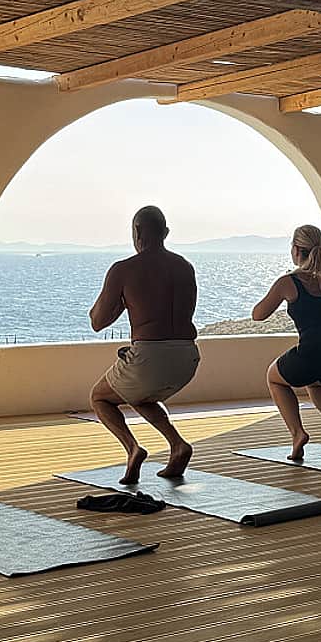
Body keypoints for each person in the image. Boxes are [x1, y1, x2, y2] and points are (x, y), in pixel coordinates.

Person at [88, 206, 201, 484]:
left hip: (150, 357)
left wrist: (122, 300)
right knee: (138, 393)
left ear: (137, 231)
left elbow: (97, 322)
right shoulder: (185, 267)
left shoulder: (124, 269)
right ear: (165, 232)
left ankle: (132, 449)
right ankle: (178, 445)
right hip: (188, 357)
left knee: (100, 397)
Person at [253, 225, 321, 460]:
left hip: (313, 352)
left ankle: (297, 434)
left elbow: (258, 314)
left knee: (274, 377)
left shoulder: (289, 281)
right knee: (317, 382)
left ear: (295, 249)